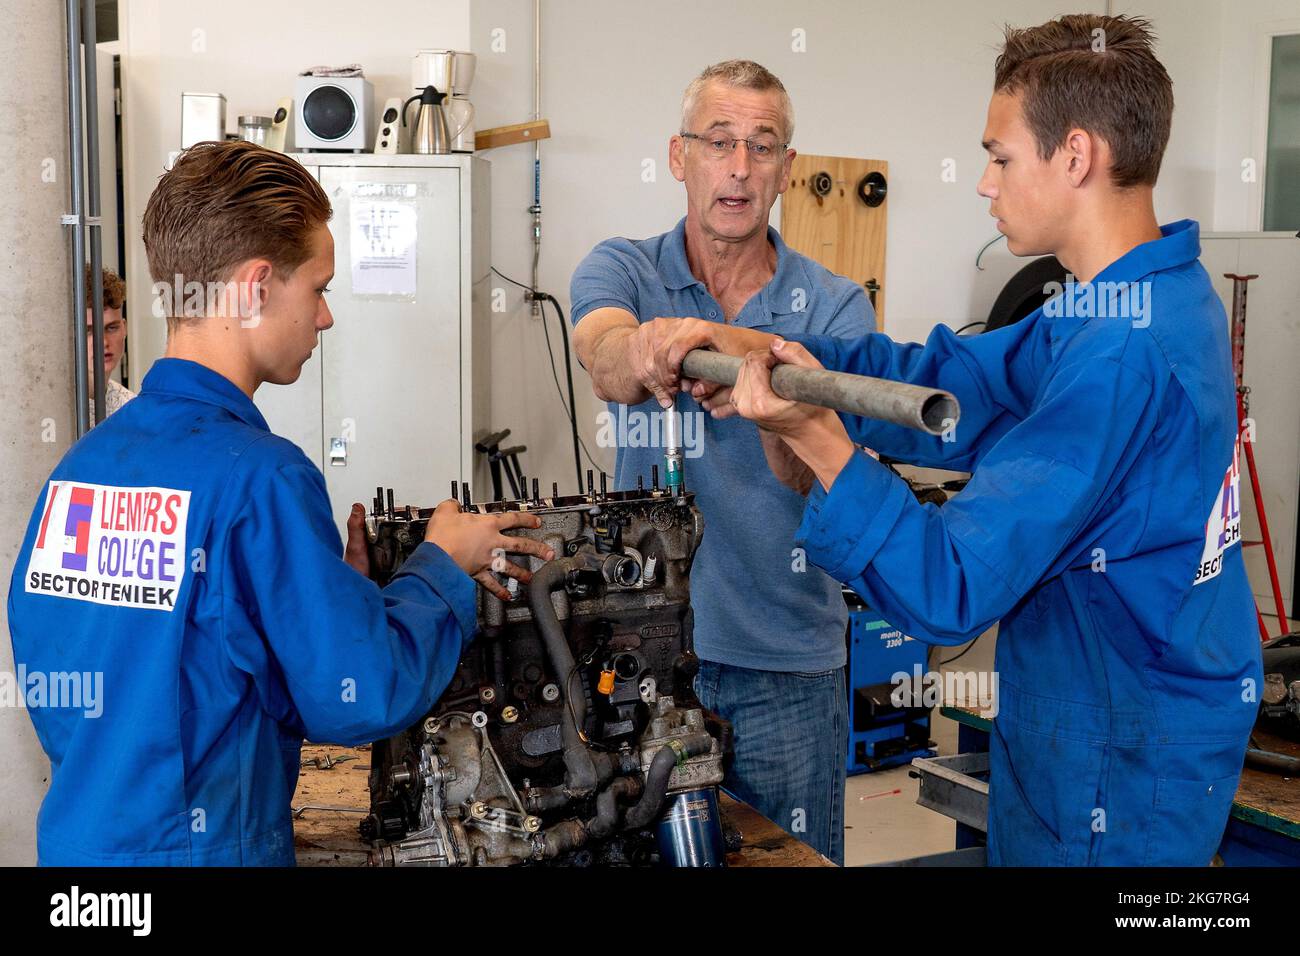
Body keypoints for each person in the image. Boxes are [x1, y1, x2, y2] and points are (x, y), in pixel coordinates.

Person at [653, 16, 1262, 865]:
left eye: (1000, 158)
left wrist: (817, 438)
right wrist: (780, 355)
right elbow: (959, 381)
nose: (984, 183)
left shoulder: (1122, 351)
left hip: (1116, 765)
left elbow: (952, 584)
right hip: (1099, 717)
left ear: (1075, 157)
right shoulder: (1131, 298)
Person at [7, 141, 553, 866]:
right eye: (319, 288)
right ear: (257, 286)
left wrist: (335, 603)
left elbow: (123, 666)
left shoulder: (81, 470)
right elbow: (360, 697)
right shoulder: (262, 476)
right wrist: (441, 566)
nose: (325, 317)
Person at [570, 60, 873, 864]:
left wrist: (740, 363)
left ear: (786, 168)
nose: (739, 167)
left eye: (762, 146)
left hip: (787, 666)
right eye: (719, 141)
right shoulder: (625, 268)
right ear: (680, 156)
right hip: (642, 658)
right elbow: (602, 356)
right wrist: (647, 347)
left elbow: (819, 477)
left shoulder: (837, 306)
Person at [83, 264, 135, 420]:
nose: (103, 342)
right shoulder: (52, 406)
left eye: (112, 328)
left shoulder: (130, 407)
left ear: (124, 328)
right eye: (88, 331)